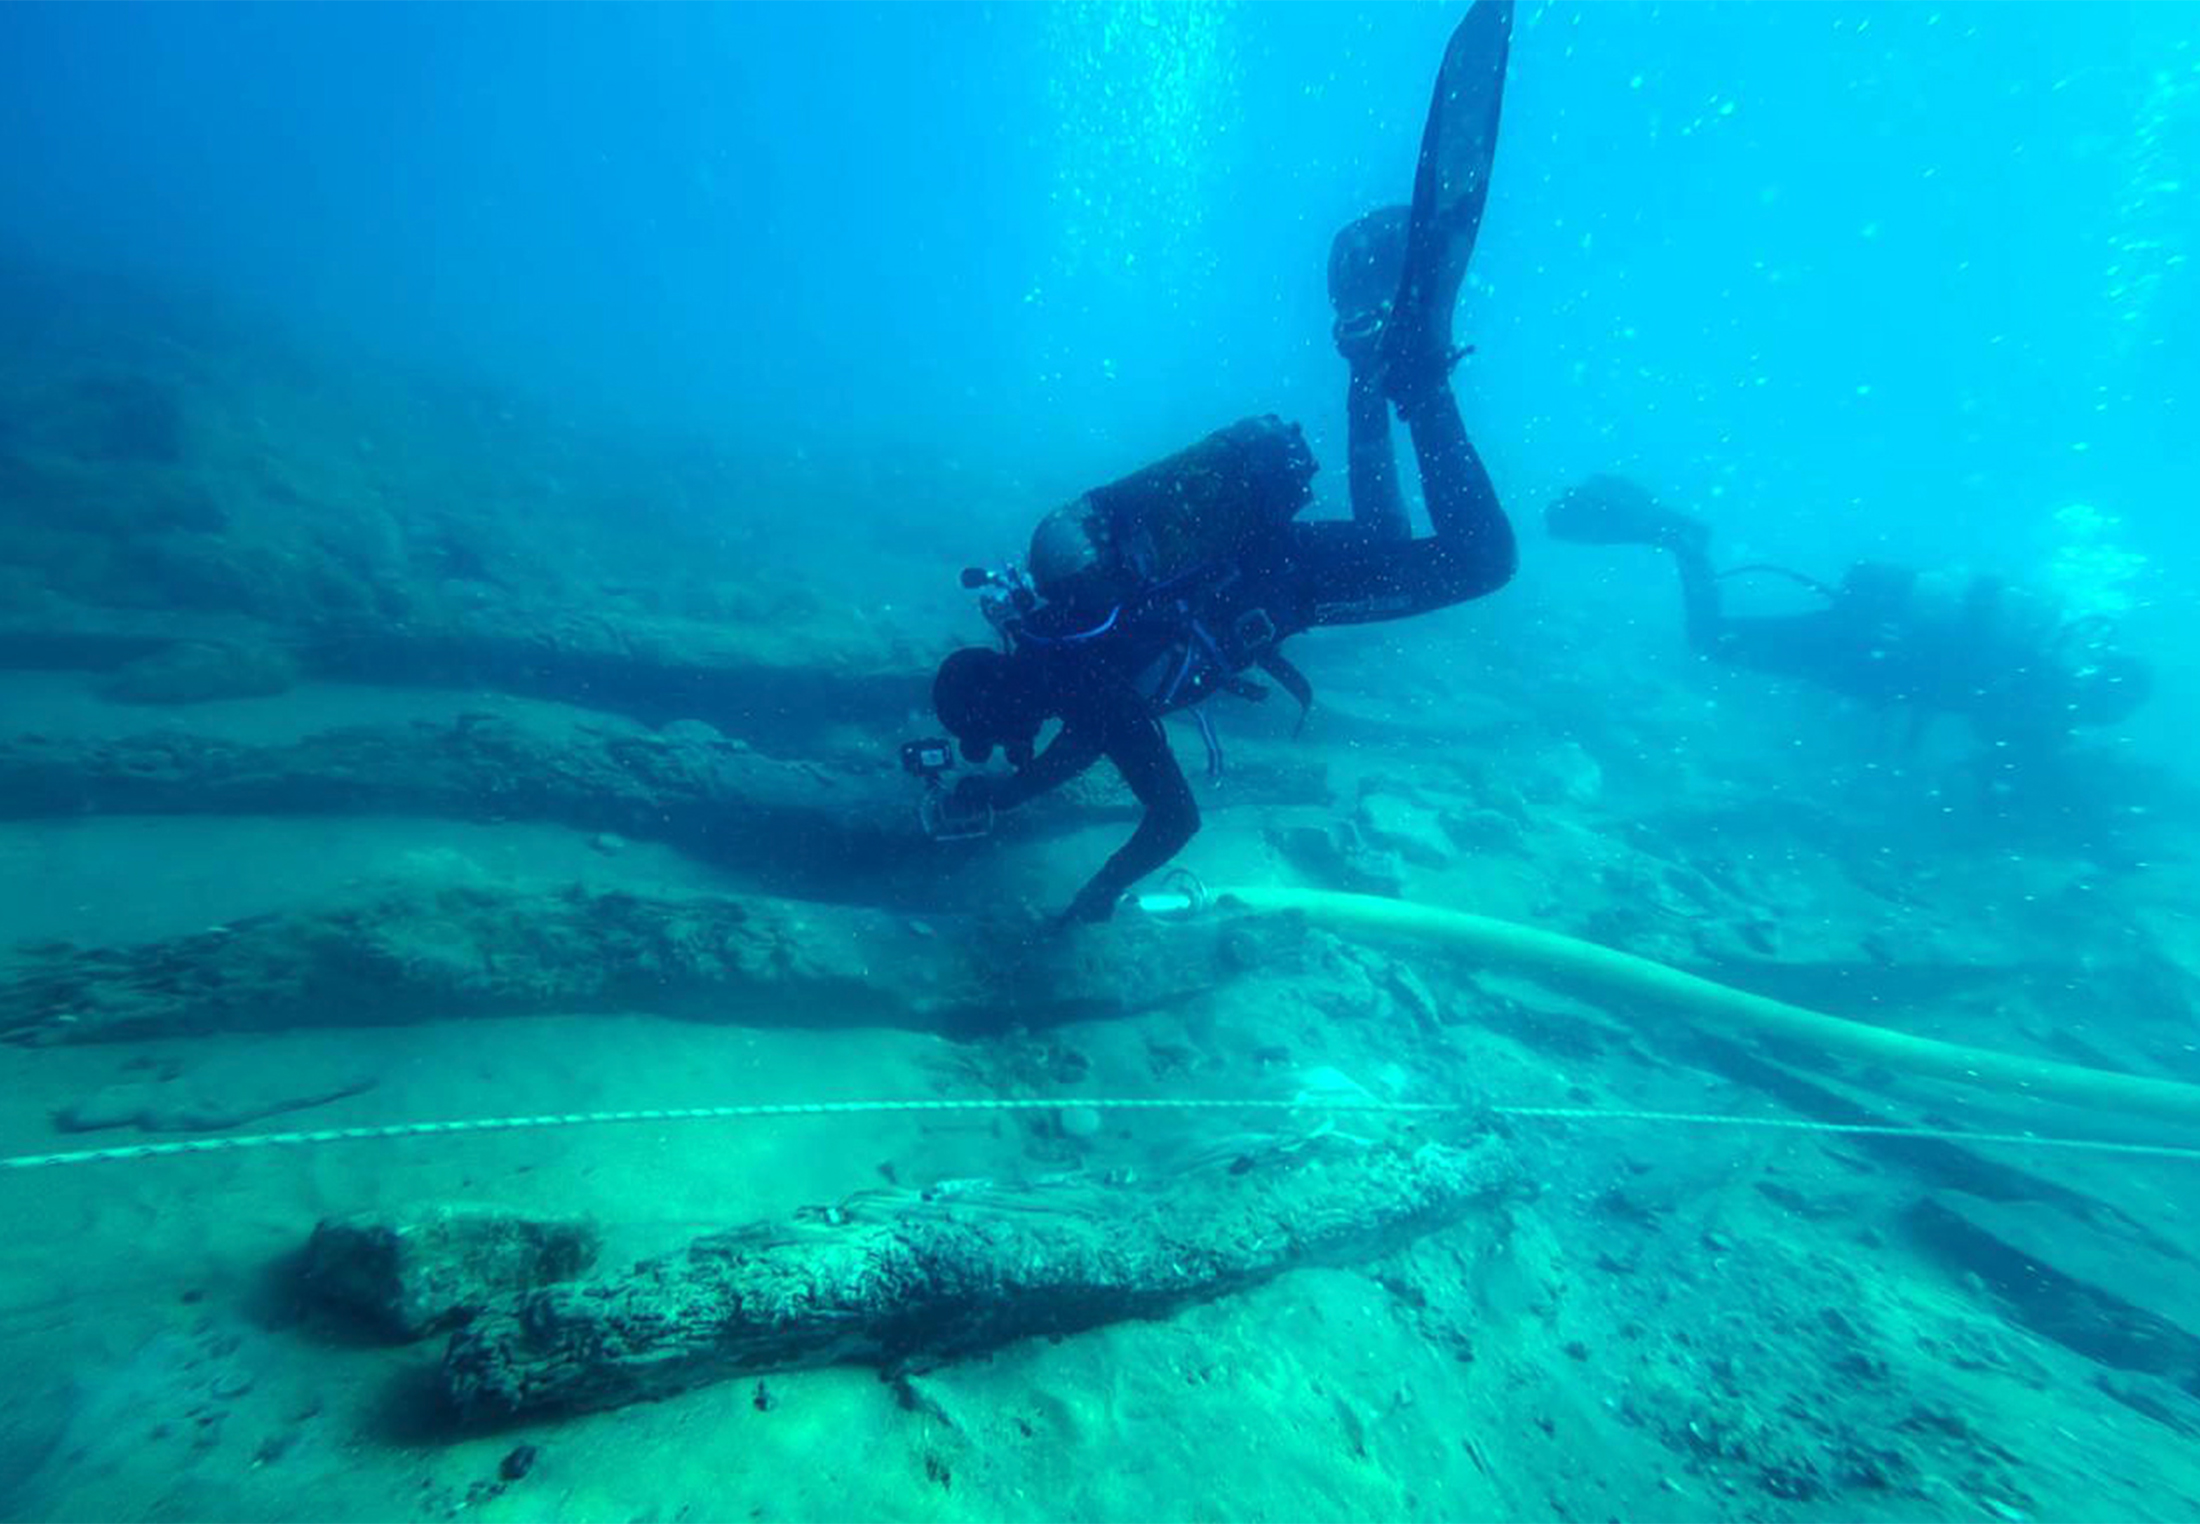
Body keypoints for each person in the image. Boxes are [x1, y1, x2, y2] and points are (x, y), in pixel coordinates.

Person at [929, 0, 1520, 924]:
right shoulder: (1055, 643)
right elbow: (1089, 745)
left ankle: (1413, 375)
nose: (1006, 750)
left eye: (994, 745)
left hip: (1295, 584)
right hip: (1275, 569)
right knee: (1388, 536)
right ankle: (1376, 376)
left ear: (1005, 710)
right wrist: (1005, 800)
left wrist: (1088, 905)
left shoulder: (1076, 673)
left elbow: (1172, 820)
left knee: (1482, 563)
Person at [1544, 474, 2152, 758]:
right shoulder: (2047, 684)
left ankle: (1678, 539)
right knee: (1714, 641)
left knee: (1717, 643)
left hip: (1872, 650)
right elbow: (1994, 723)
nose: (2098, 719)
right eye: (2107, 711)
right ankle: (1684, 541)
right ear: (2104, 692)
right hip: (1868, 649)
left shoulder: (2046, 668)